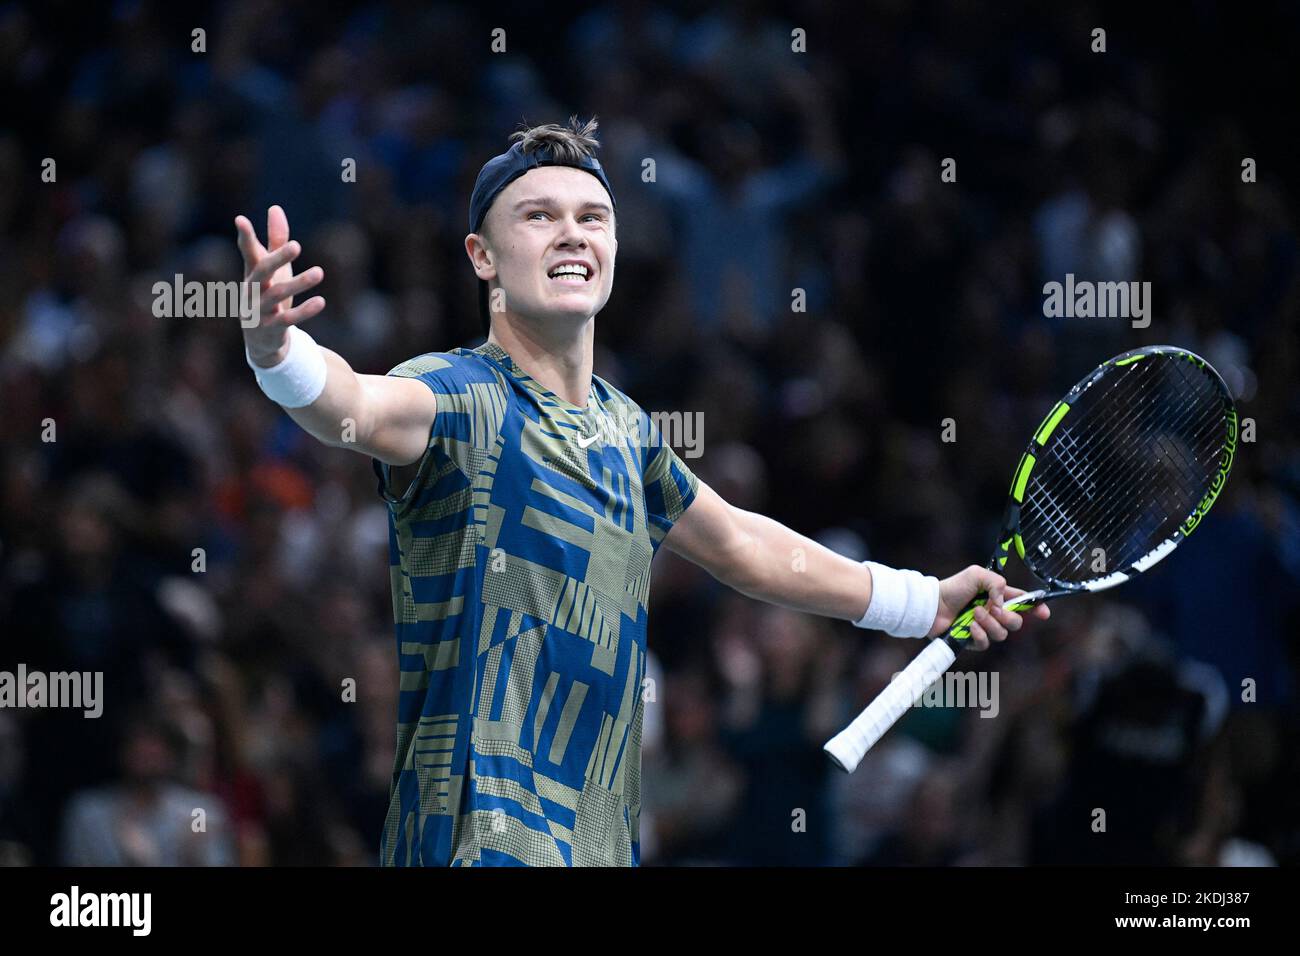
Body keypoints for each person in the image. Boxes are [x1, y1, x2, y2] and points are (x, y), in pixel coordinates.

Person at [233, 116, 1049, 867]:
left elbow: (741, 545)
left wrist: (922, 602)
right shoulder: (458, 397)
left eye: (593, 218)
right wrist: (279, 349)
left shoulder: (629, 435)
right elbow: (353, 403)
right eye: (539, 216)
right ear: (482, 256)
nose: (573, 234)